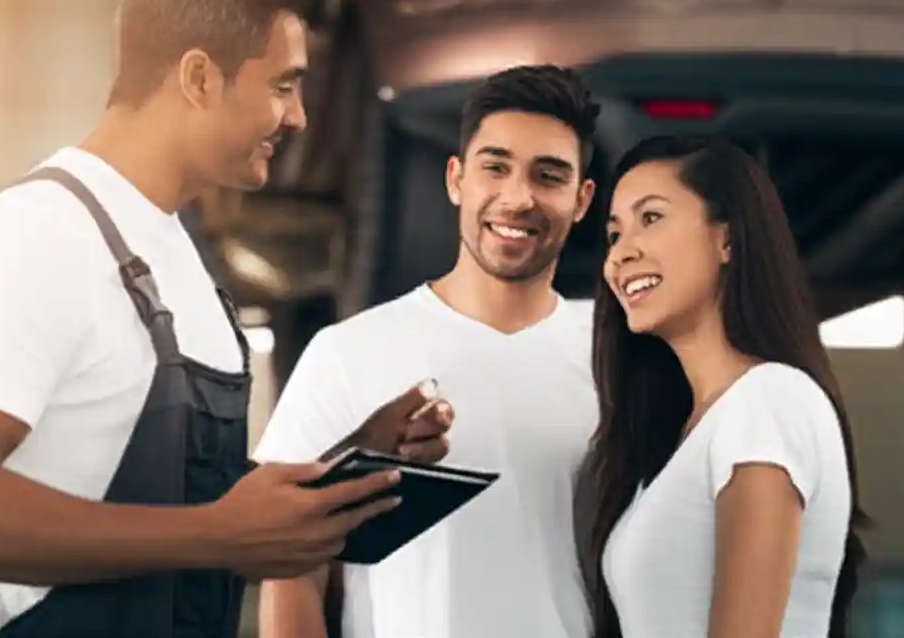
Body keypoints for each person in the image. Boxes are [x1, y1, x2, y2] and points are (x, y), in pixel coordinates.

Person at [0, 0, 450, 638]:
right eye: (283, 85)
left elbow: (190, 502)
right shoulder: (37, 235)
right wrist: (217, 536)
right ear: (199, 78)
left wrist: (347, 466)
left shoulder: (178, 256)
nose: (299, 116)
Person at [256, 65, 603, 638]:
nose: (518, 198)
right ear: (456, 180)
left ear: (582, 198)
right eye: (495, 167)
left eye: (549, 176)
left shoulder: (616, 358)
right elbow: (292, 566)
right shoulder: (348, 353)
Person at [586, 135, 868, 638]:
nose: (621, 254)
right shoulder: (689, 432)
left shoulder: (768, 401)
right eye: (613, 235)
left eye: (651, 218)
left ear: (728, 239)